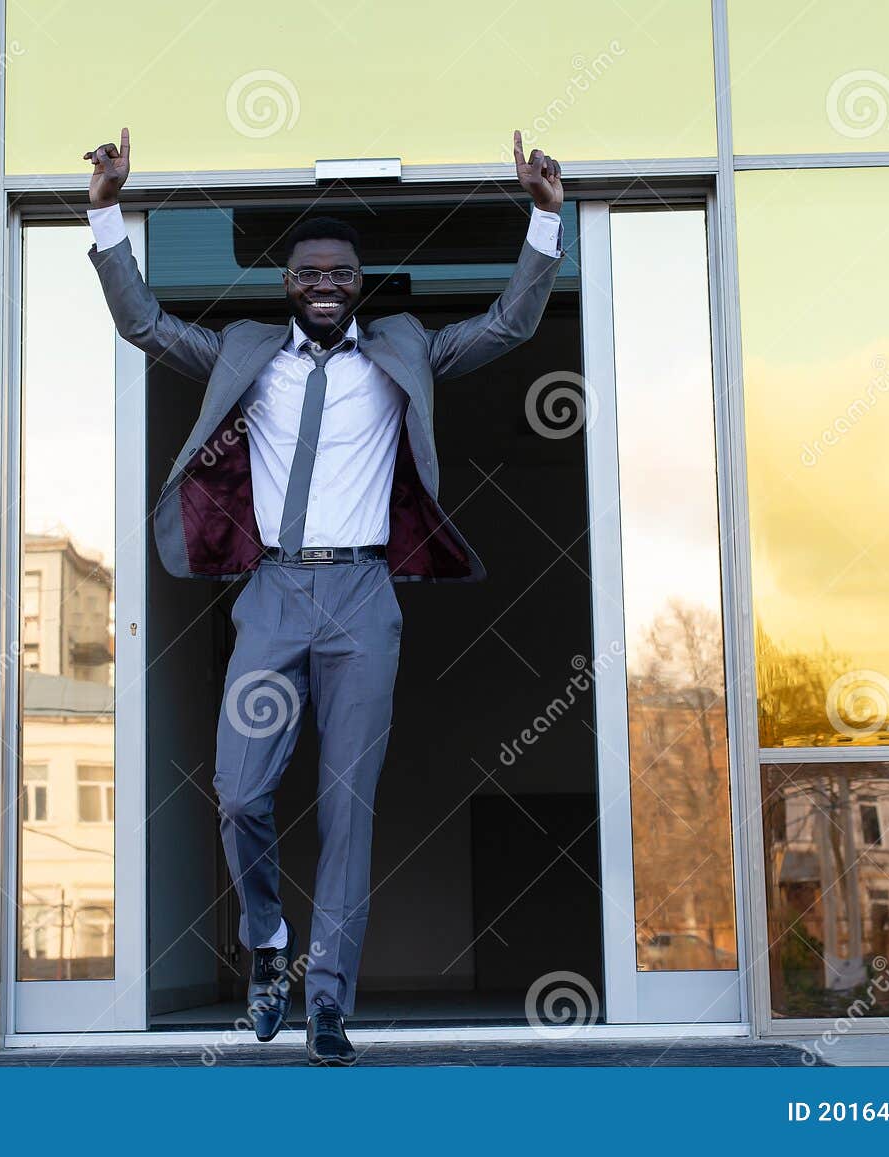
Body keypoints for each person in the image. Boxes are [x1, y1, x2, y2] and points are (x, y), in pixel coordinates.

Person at [83, 127, 565, 1064]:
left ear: (358, 280)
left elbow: (507, 326)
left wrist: (545, 219)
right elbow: (143, 323)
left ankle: (328, 1001)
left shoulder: (404, 351)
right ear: (288, 282)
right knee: (237, 793)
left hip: (363, 599)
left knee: (350, 805)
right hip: (272, 594)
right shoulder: (245, 353)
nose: (325, 282)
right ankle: (268, 945)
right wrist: (106, 206)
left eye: (341, 270)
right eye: (309, 271)